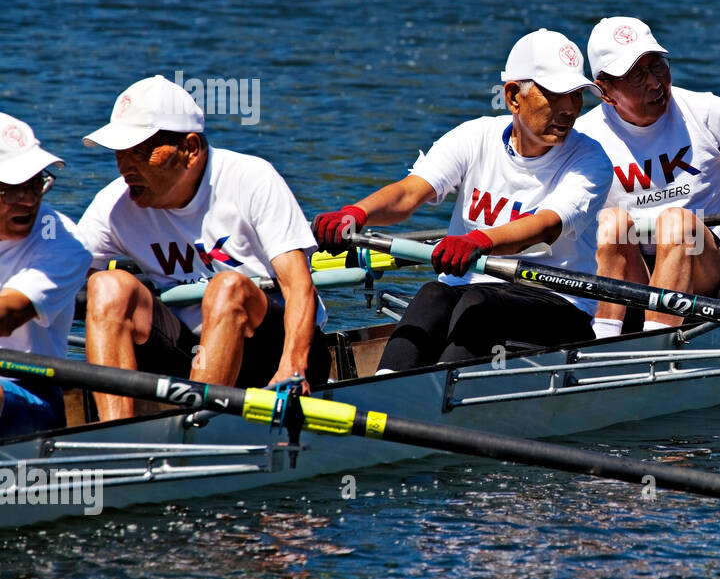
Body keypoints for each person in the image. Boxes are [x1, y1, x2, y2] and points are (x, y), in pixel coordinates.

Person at [313, 29, 613, 369]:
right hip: (470, 295)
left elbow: (544, 226)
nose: (569, 108)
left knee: (479, 301)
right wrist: (356, 213)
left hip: (556, 303)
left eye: (576, 95)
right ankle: (387, 381)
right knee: (433, 293)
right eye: (555, 95)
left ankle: (432, 394)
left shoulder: (591, 160)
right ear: (513, 96)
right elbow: (409, 193)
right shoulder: (475, 137)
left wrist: (478, 240)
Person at [79, 75, 330, 421]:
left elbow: (300, 286)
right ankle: (116, 433)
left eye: (139, 152)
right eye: (119, 154)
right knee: (105, 287)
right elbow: (56, 282)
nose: (125, 168)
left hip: (274, 352)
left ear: (191, 149)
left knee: (226, 287)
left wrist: (292, 366)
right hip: (189, 355)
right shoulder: (114, 205)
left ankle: (195, 429)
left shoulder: (252, 179)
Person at [574, 16, 720, 334]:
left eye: (657, 66)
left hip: (714, 275)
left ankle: (653, 348)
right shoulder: (583, 138)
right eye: (637, 75)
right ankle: (600, 342)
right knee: (611, 224)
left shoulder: (704, 111)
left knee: (676, 223)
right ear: (605, 91)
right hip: (636, 278)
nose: (656, 84)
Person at [0, 115, 90, 434]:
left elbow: (6, 314)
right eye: (11, 188)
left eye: (37, 182)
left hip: (29, 391)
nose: (29, 198)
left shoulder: (62, 241)